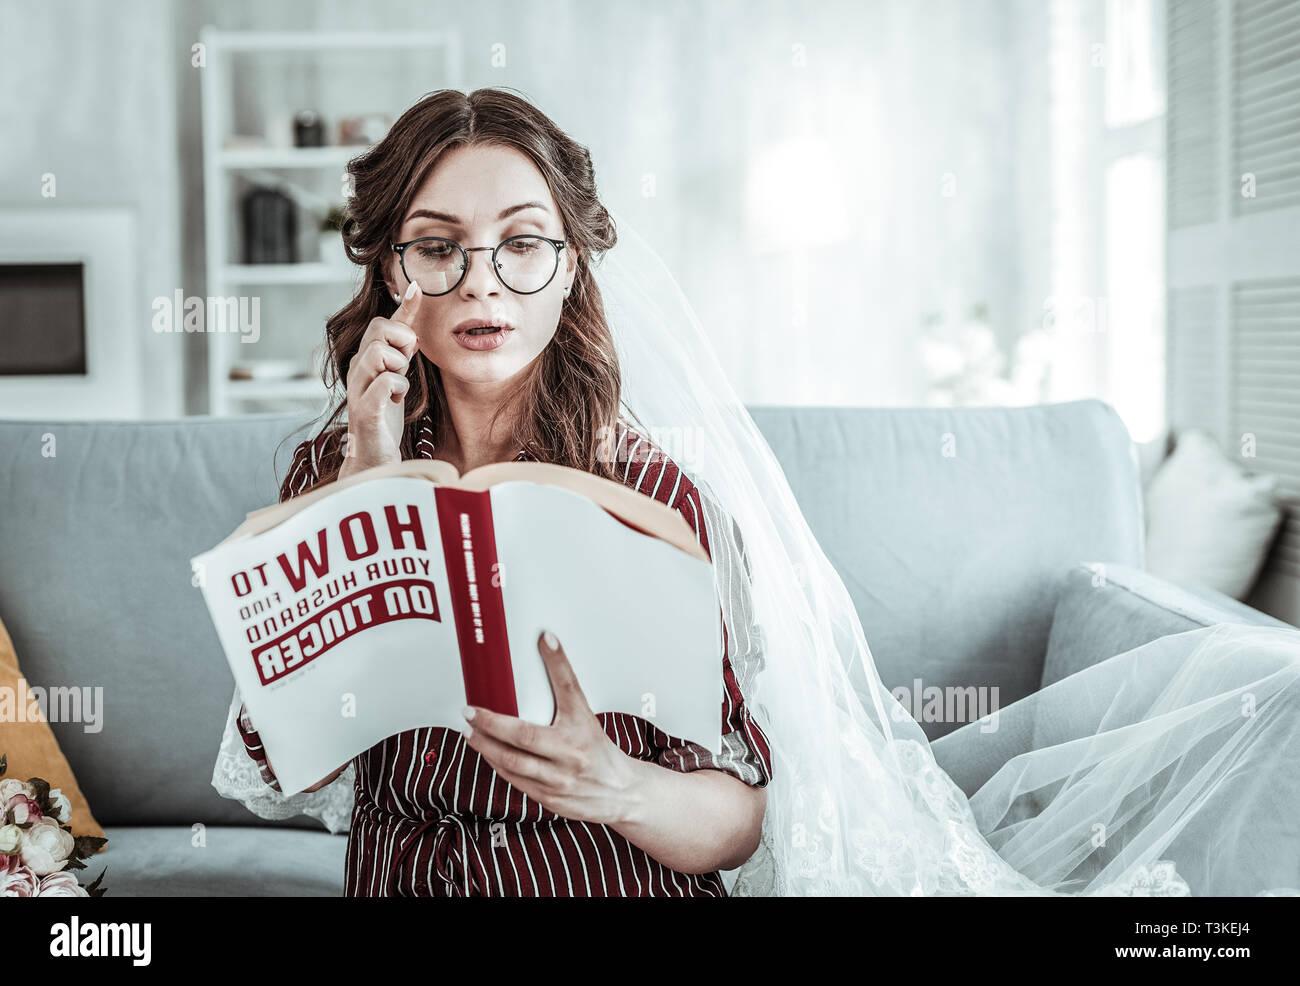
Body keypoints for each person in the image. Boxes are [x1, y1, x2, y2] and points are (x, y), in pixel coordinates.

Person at [216, 87, 1300, 897]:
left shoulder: (655, 495)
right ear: (390, 275)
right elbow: (274, 763)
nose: (484, 281)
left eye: (523, 244)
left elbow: (737, 818)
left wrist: (608, 782)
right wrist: (362, 485)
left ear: (573, 269)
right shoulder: (330, 471)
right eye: (438, 250)